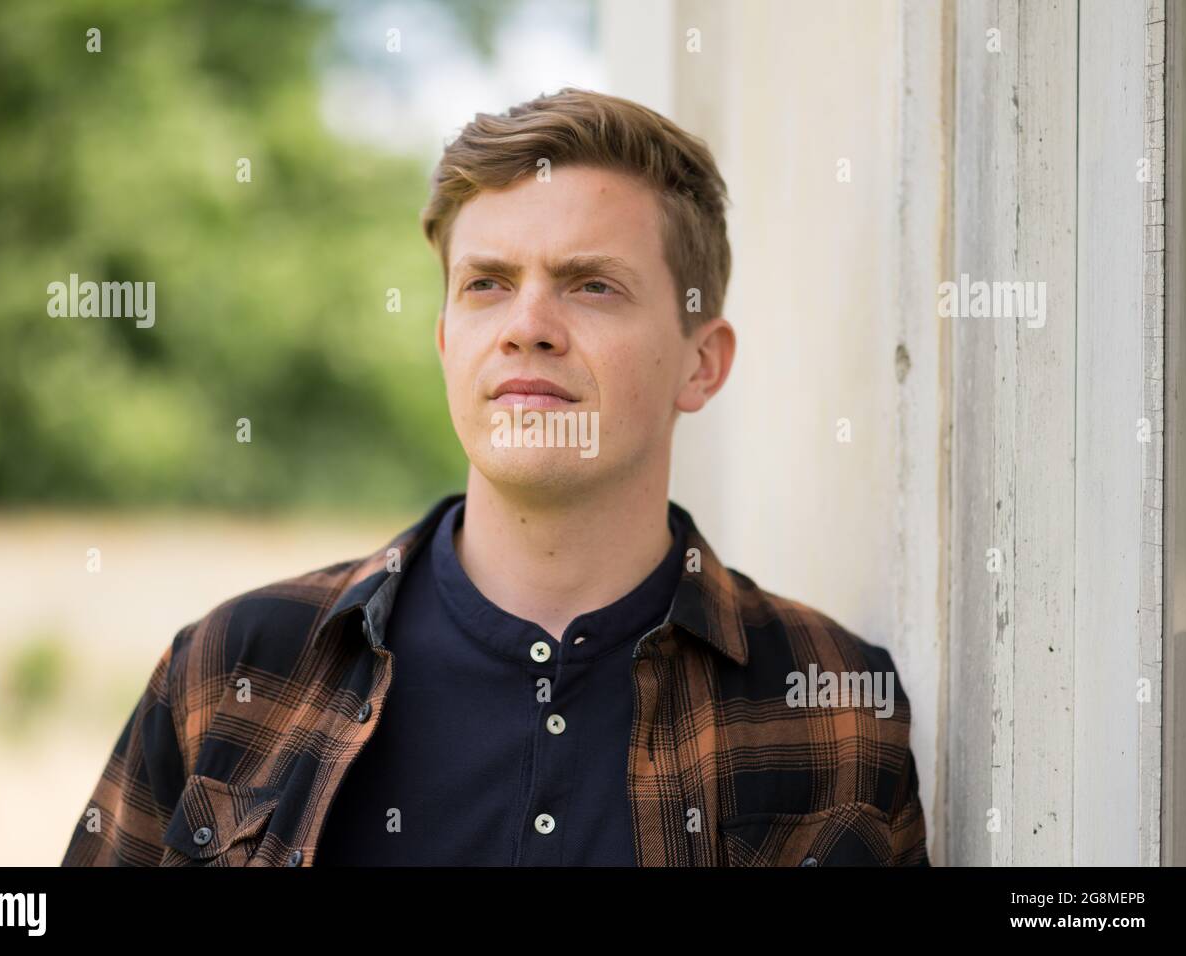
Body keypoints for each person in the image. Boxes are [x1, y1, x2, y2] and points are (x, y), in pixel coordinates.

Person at [61, 87, 929, 867]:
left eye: (591, 285)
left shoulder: (838, 709)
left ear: (701, 365)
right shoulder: (233, 669)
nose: (528, 326)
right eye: (486, 284)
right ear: (446, 342)